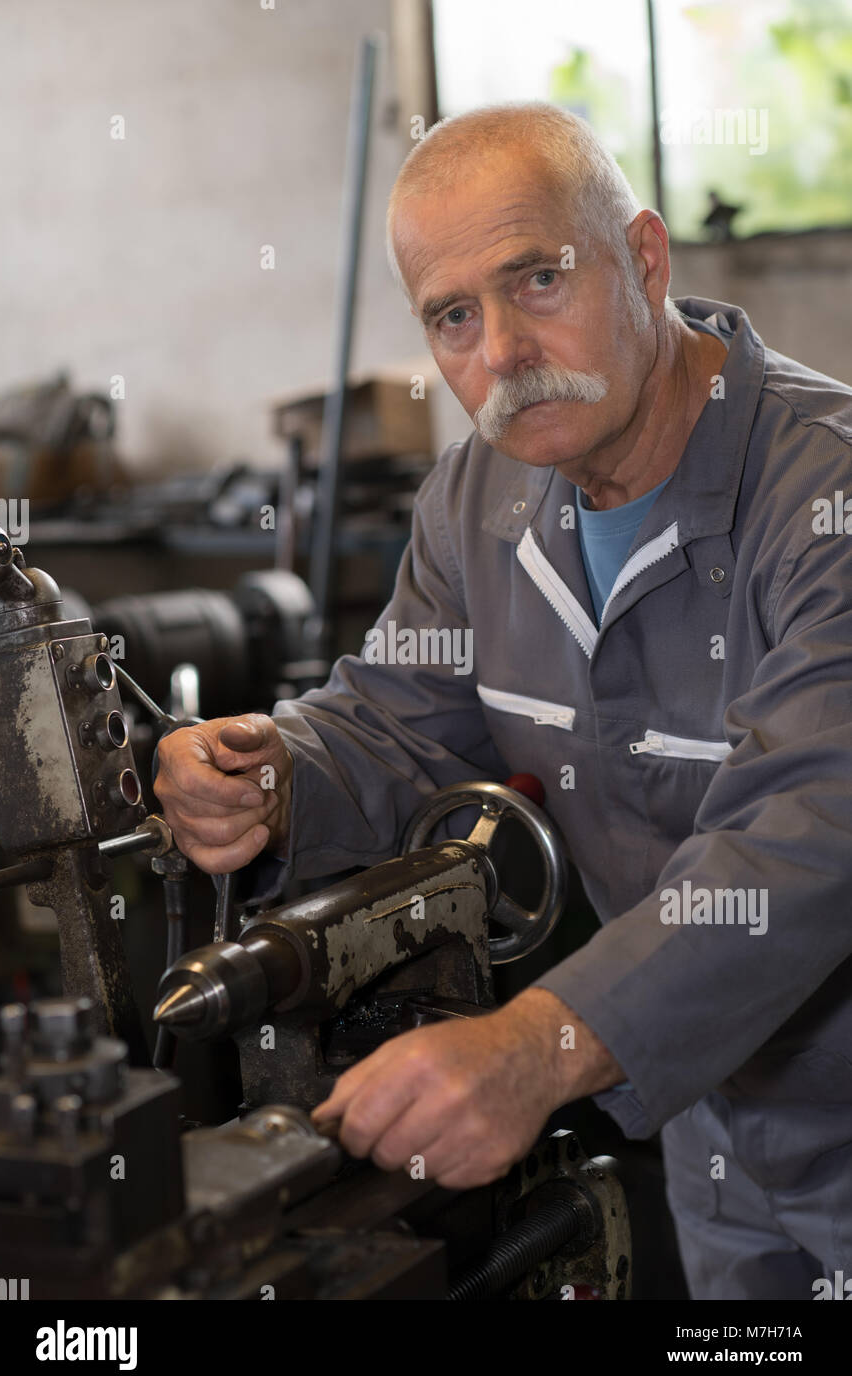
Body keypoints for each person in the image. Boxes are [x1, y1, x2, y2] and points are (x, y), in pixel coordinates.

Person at [154, 103, 852, 1300]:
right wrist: (274, 769)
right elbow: (394, 716)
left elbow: (809, 834)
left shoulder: (820, 497)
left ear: (641, 257)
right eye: (452, 317)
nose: (503, 351)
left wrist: (540, 1044)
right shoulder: (477, 498)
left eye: (537, 277)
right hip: (709, 1128)